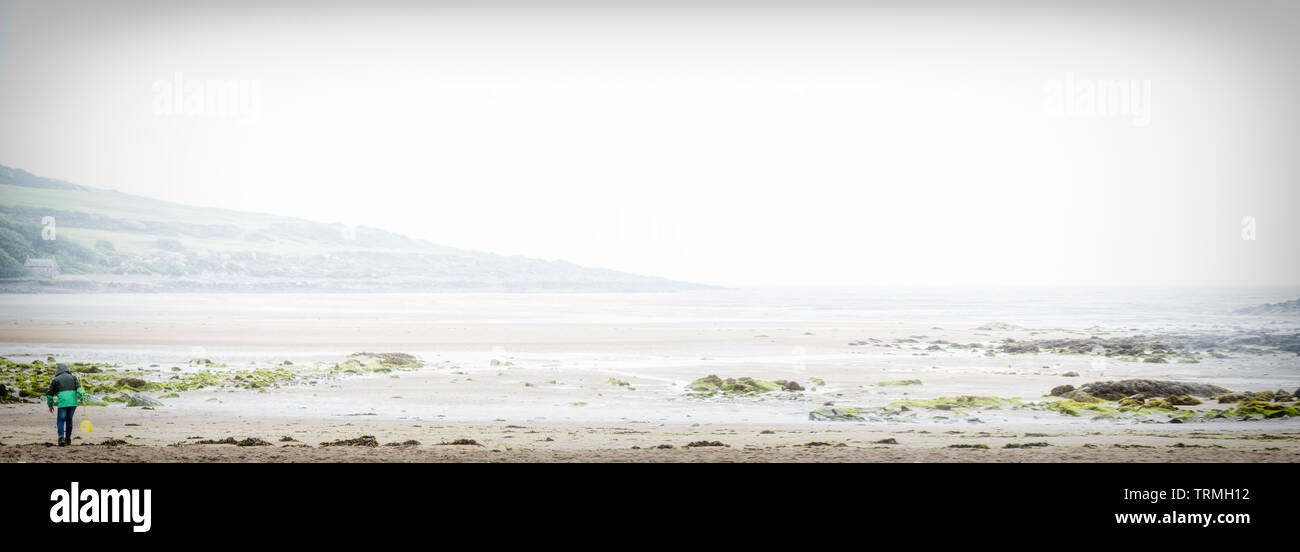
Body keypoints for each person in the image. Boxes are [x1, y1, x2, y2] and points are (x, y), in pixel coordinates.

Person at [45, 363, 85, 446]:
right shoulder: (73, 377)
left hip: (63, 403)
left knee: (61, 420)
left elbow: (49, 394)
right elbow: (80, 389)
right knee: (69, 419)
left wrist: (50, 405)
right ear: (67, 370)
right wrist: (82, 399)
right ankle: (68, 439)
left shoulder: (56, 380)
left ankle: (61, 438)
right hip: (73, 403)